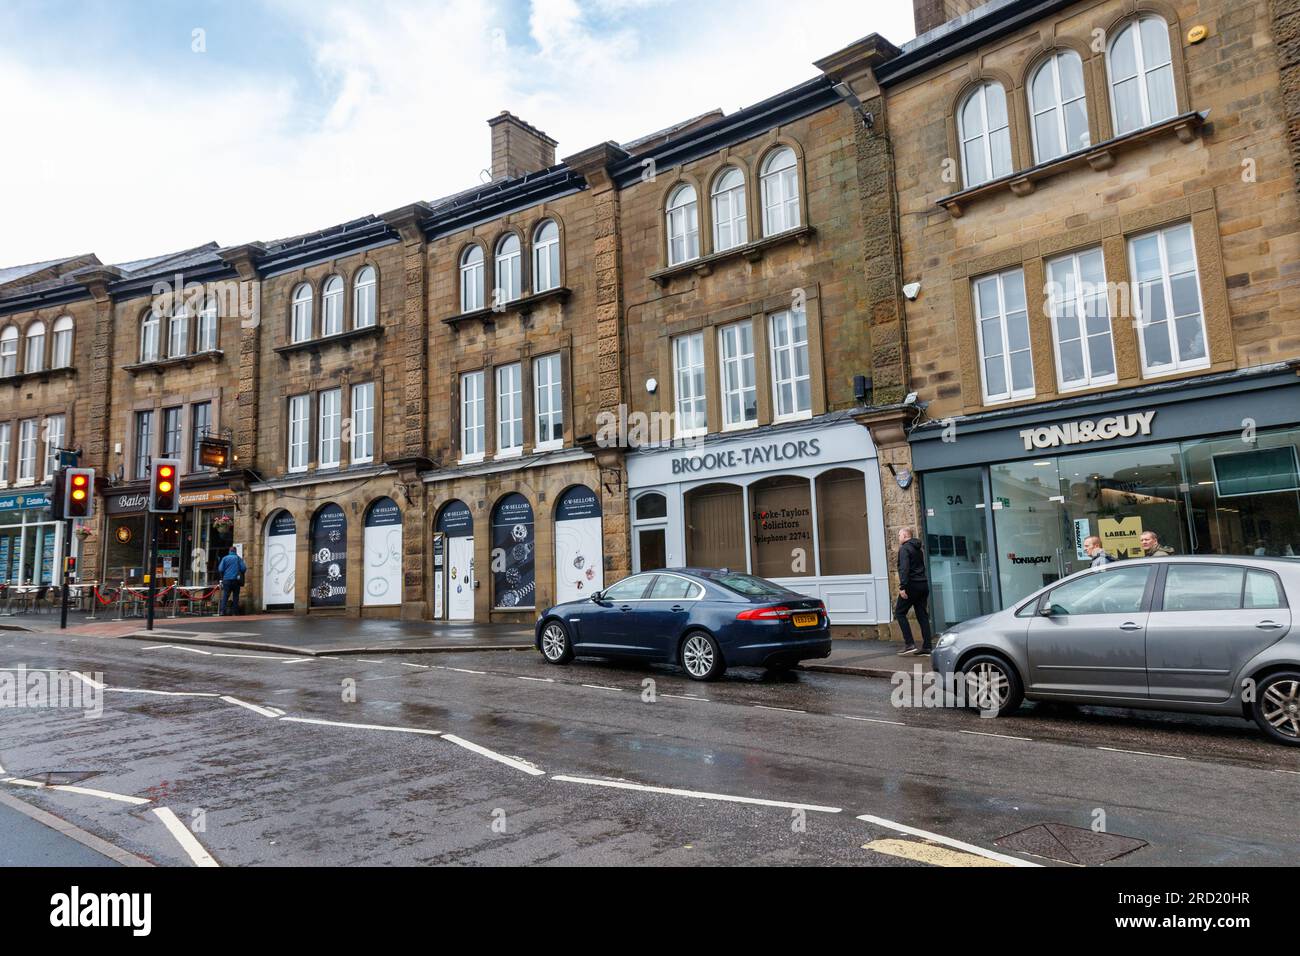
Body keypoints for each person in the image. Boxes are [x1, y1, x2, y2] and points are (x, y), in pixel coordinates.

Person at [894, 527, 932, 656]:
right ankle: (927, 647)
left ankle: (909, 644)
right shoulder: (918, 548)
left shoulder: (904, 548)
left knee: (899, 613)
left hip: (911, 585)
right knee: (922, 615)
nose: (898, 538)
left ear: (905, 535)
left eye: (899, 535)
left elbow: (904, 568)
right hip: (923, 584)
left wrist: (902, 587)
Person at [217, 546, 247, 616]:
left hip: (226, 580)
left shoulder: (225, 558)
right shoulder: (238, 558)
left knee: (225, 595)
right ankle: (234, 612)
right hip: (236, 580)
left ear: (229, 551)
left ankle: (222, 612)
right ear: (235, 551)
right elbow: (243, 568)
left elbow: (220, 569)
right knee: (235, 596)